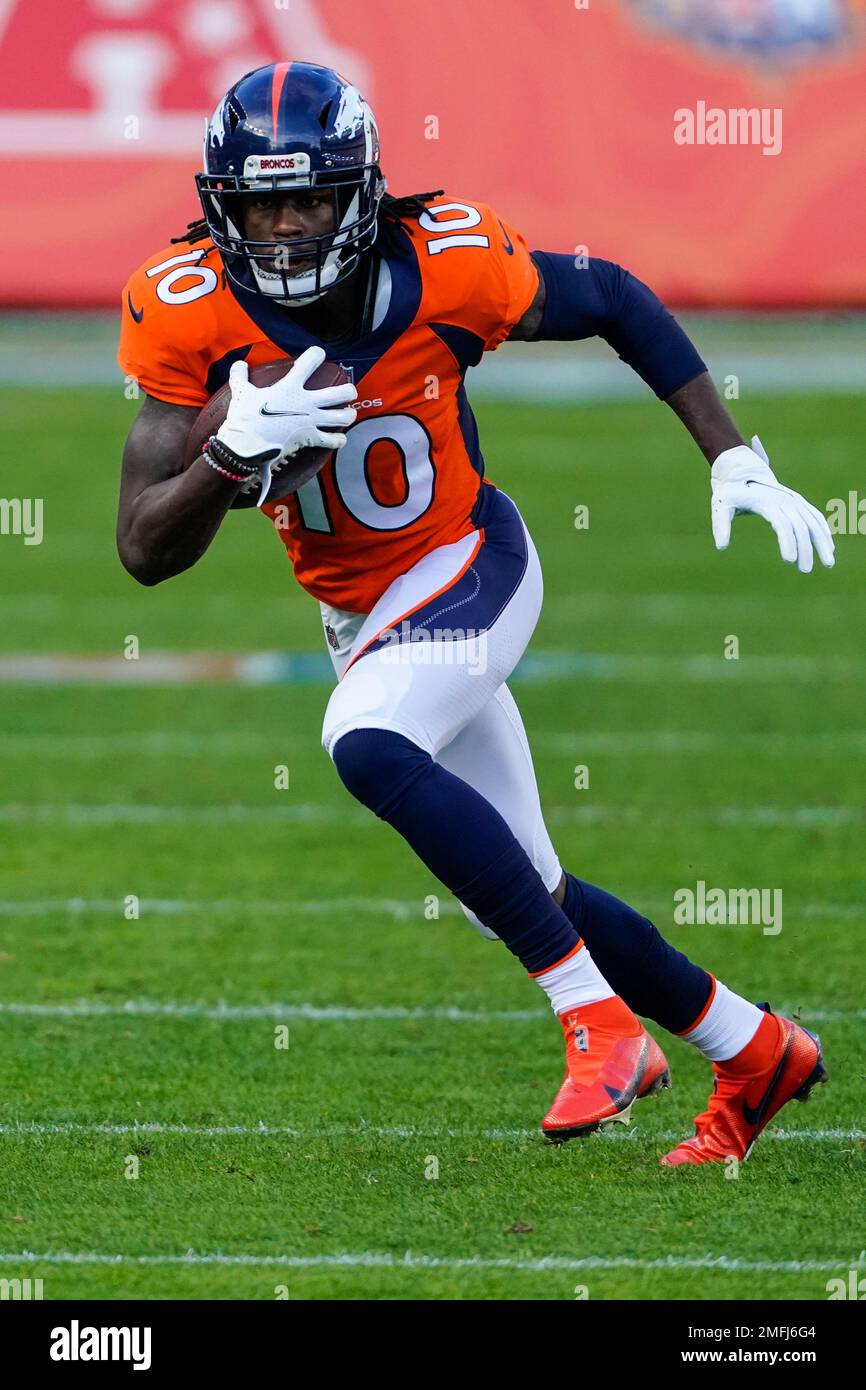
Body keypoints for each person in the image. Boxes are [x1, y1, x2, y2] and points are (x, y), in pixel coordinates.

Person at [117, 62, 833, 1166]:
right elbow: (142, 551)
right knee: (530, 884)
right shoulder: (185, 306)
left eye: (308, 197)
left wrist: (730, 454)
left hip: (469, 559)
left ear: (359, 193)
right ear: (223, 206)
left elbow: (610, 296)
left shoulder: (447, 263)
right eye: (261, 204)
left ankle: (598, 1027)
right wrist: (225, 458)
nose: (287, 227)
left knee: (363, 740)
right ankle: (752, 1047)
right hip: (362, 613)